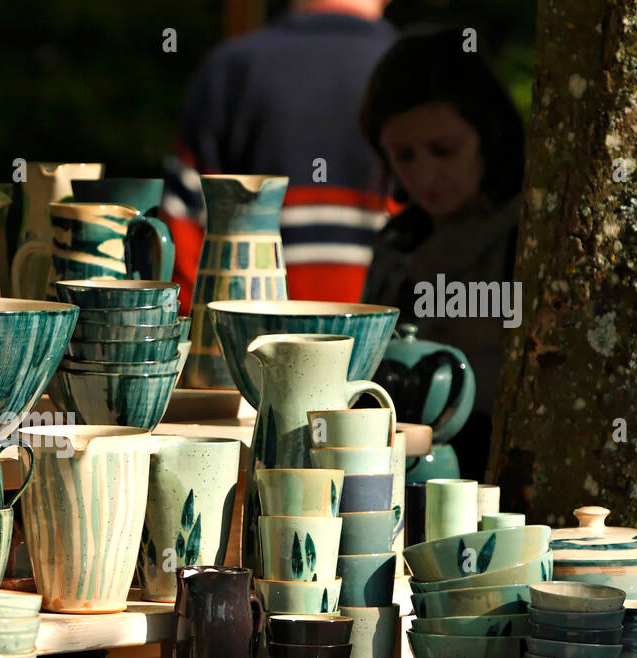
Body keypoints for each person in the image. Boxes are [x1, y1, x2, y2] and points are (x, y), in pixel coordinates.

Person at [359, 28, 524, 482]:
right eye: (404, 156)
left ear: (487, 137)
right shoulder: (397, 243)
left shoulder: (528, 240)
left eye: (443, 150)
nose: (425, 174)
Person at [164, 0, 397, 312]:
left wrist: (202, 346)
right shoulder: (423, 74)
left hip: (248, 349)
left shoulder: (231, 68)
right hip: (398, 348)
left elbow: (182, 236)